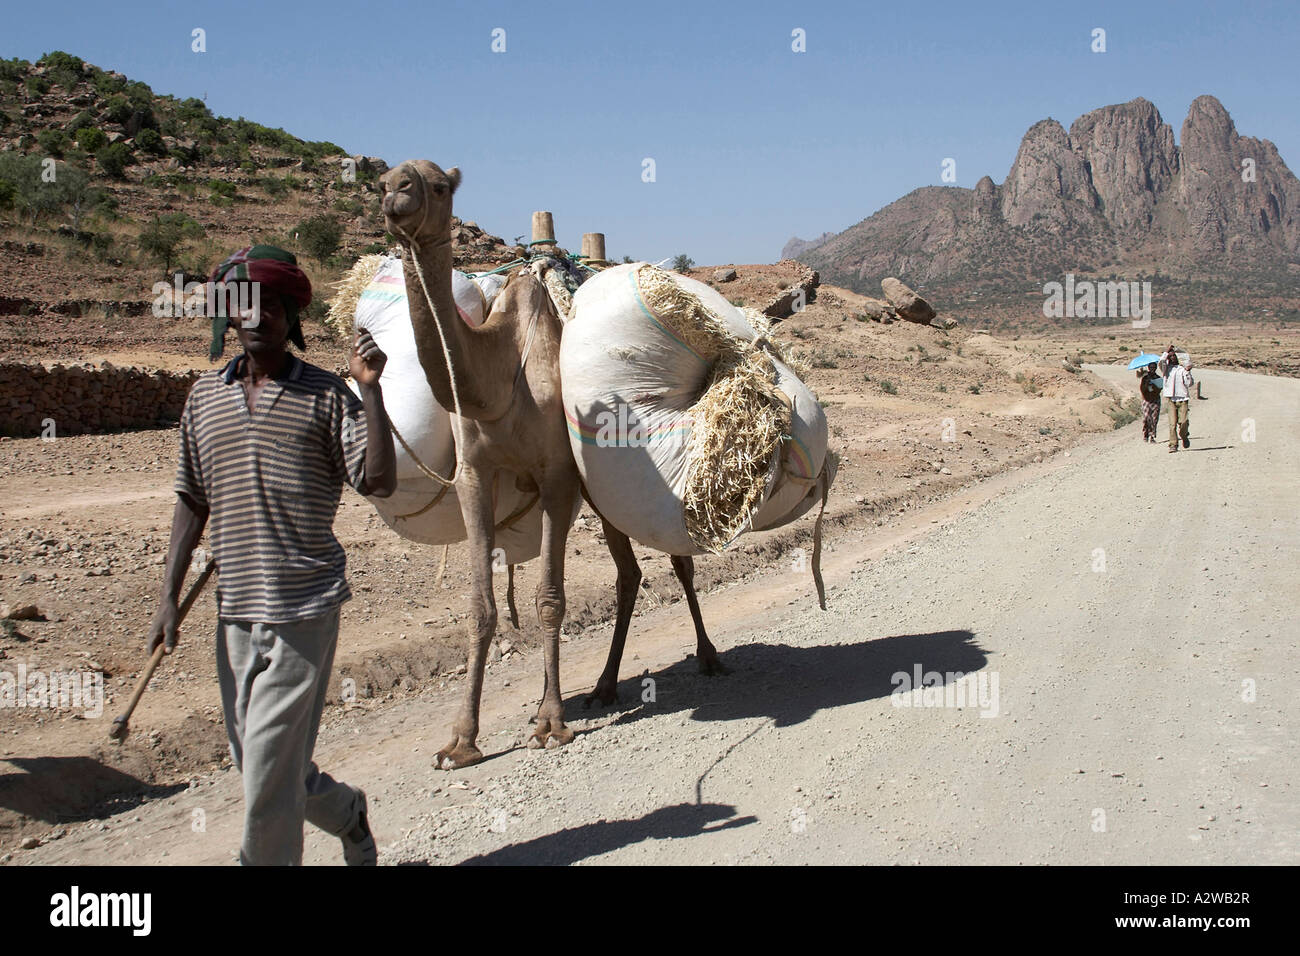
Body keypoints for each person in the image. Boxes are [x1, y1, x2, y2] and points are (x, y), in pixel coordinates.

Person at [147, 245, 397, 865]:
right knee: (261, 764)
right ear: (229, 318)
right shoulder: (204, 400)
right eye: (245, 306)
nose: (260, 316)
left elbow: (379, 481)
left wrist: (372, 392)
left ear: (292, 315)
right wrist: (167, 597)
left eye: (274, 305)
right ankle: (346, 813)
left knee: (264, 775)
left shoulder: (327, 394)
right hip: (234, 610)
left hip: (303, 608)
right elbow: (191, 501)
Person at [1161, 351, 1195, 453]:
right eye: (1170, 357)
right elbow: (1161, 361)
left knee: (1183, 422)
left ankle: (1184, 436)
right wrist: (1166, 352)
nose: (1172, 358)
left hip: (1182, 399)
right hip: (1171, 399)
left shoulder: (1182, 370)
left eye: (1173, 356)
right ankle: (1173, 444)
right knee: (1172, 424)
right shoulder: (1166, 369)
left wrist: (1188, 372)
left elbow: (1189, 384)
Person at [1138, 362, 1162, 442]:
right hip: (1146, 400)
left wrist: (1154, 386)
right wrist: (1147, 384)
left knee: (1154, 419)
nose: (1152, 369)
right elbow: (1142, 389)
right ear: (1148, 368)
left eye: (1154, 367)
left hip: (1155, 400)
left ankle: (1152, 436)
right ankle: (1146, 433)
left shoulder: (1158, 378)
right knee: (1146, 418)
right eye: (1151, 367)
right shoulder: (1145, 378)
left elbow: (1159, 389)